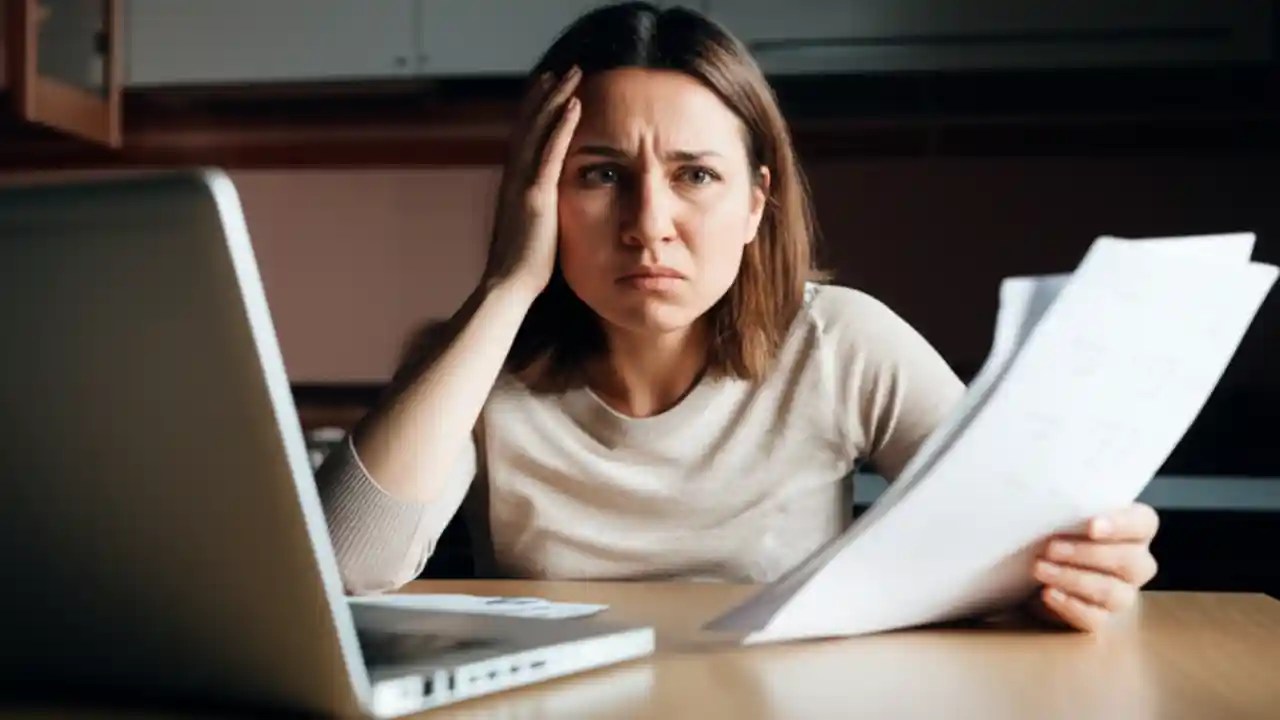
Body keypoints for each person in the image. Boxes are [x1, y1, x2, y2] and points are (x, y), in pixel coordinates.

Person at [316, 1, 1158, 632]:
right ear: (537, 196)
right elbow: (345, 566)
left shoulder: (845, 344)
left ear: (757, 203)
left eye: (696, 176)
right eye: (602, 175)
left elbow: (1018, 539)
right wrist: (507, 286)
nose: (650, 223)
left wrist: (1085, 562)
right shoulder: (473, 364)